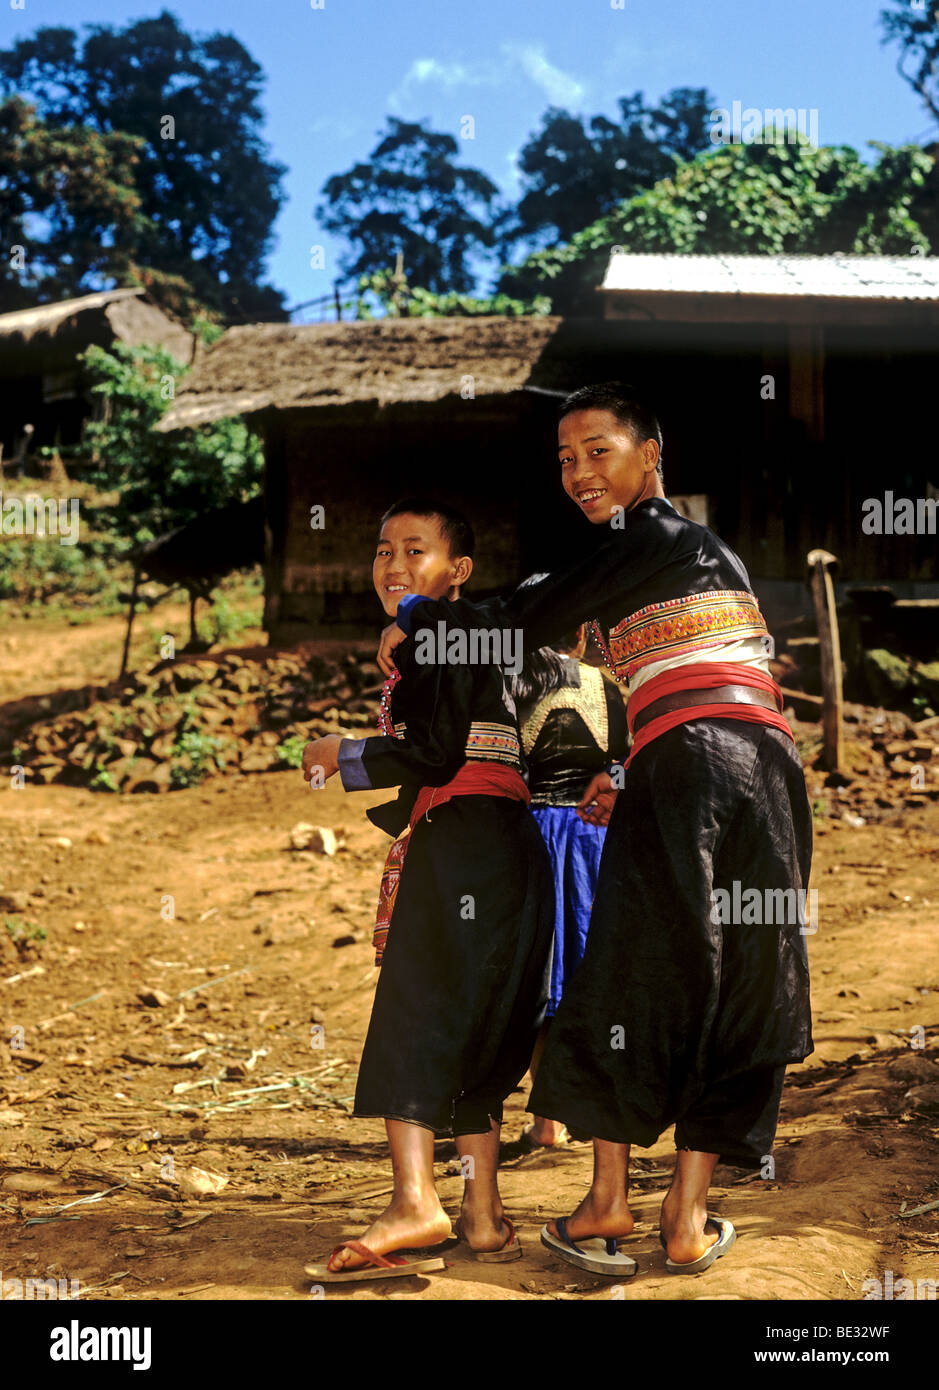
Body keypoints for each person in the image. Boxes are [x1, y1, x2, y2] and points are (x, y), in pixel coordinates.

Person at [377, 383, 814, 1278]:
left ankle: (609, 1202)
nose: (578, 473)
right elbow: (679, 667)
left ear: (651, 455)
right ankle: (685, 1221)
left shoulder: (636, 536)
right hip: (767, 767)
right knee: (745, 968)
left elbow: (513, 623)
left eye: (598, 451)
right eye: (565, 459)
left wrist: (418, 624)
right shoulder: (695, 554)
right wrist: (622, 771)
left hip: (689, 762)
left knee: (633, 963)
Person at [301, 497, 553, 1281]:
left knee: (413, 1013)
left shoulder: (437, 632)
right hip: (512, 847)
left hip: (462, 844)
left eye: (416, 550)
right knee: (476, 1023)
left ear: (458, 572)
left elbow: (437, 754)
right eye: (382, 551)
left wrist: (340, 757)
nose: (393, 566)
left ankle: (415, 1202)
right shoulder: (481, 641)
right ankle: (481, 1216)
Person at [509, 620, 627, 1150]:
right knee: (587, 971)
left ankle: (546, 1119)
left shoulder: (512, 682)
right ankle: (590, 1110)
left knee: (535, 978)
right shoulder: (608, 688)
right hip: (591, 840)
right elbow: (627, 763)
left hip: (528, 836)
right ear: (581, 636)